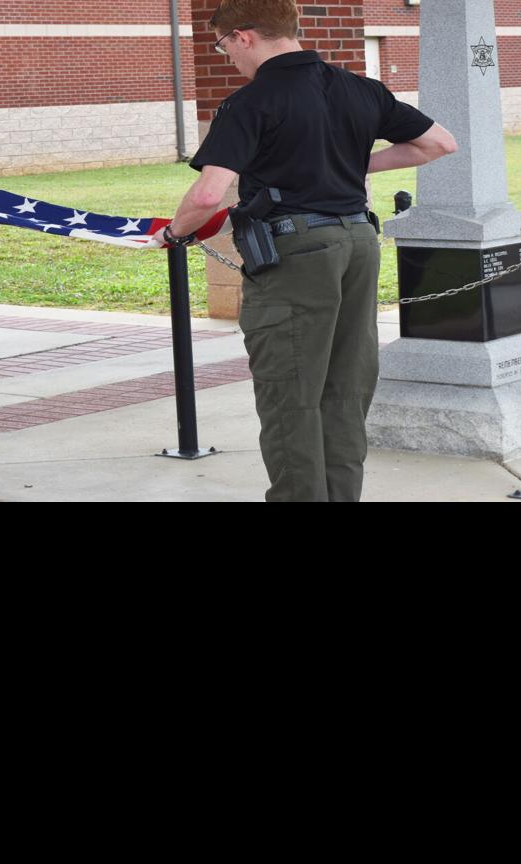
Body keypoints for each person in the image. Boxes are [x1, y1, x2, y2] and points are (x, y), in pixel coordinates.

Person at [154, 0, 457, 502]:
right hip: (359, 243)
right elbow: (439, 144)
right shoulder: (360, 88)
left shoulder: (250, 102)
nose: (227, 57)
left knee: (290, 392)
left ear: (244, 36)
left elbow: (209, 194)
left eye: (223, 45)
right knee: (345, 389)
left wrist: (173, 234)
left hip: (296, 252)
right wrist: (358, 164)